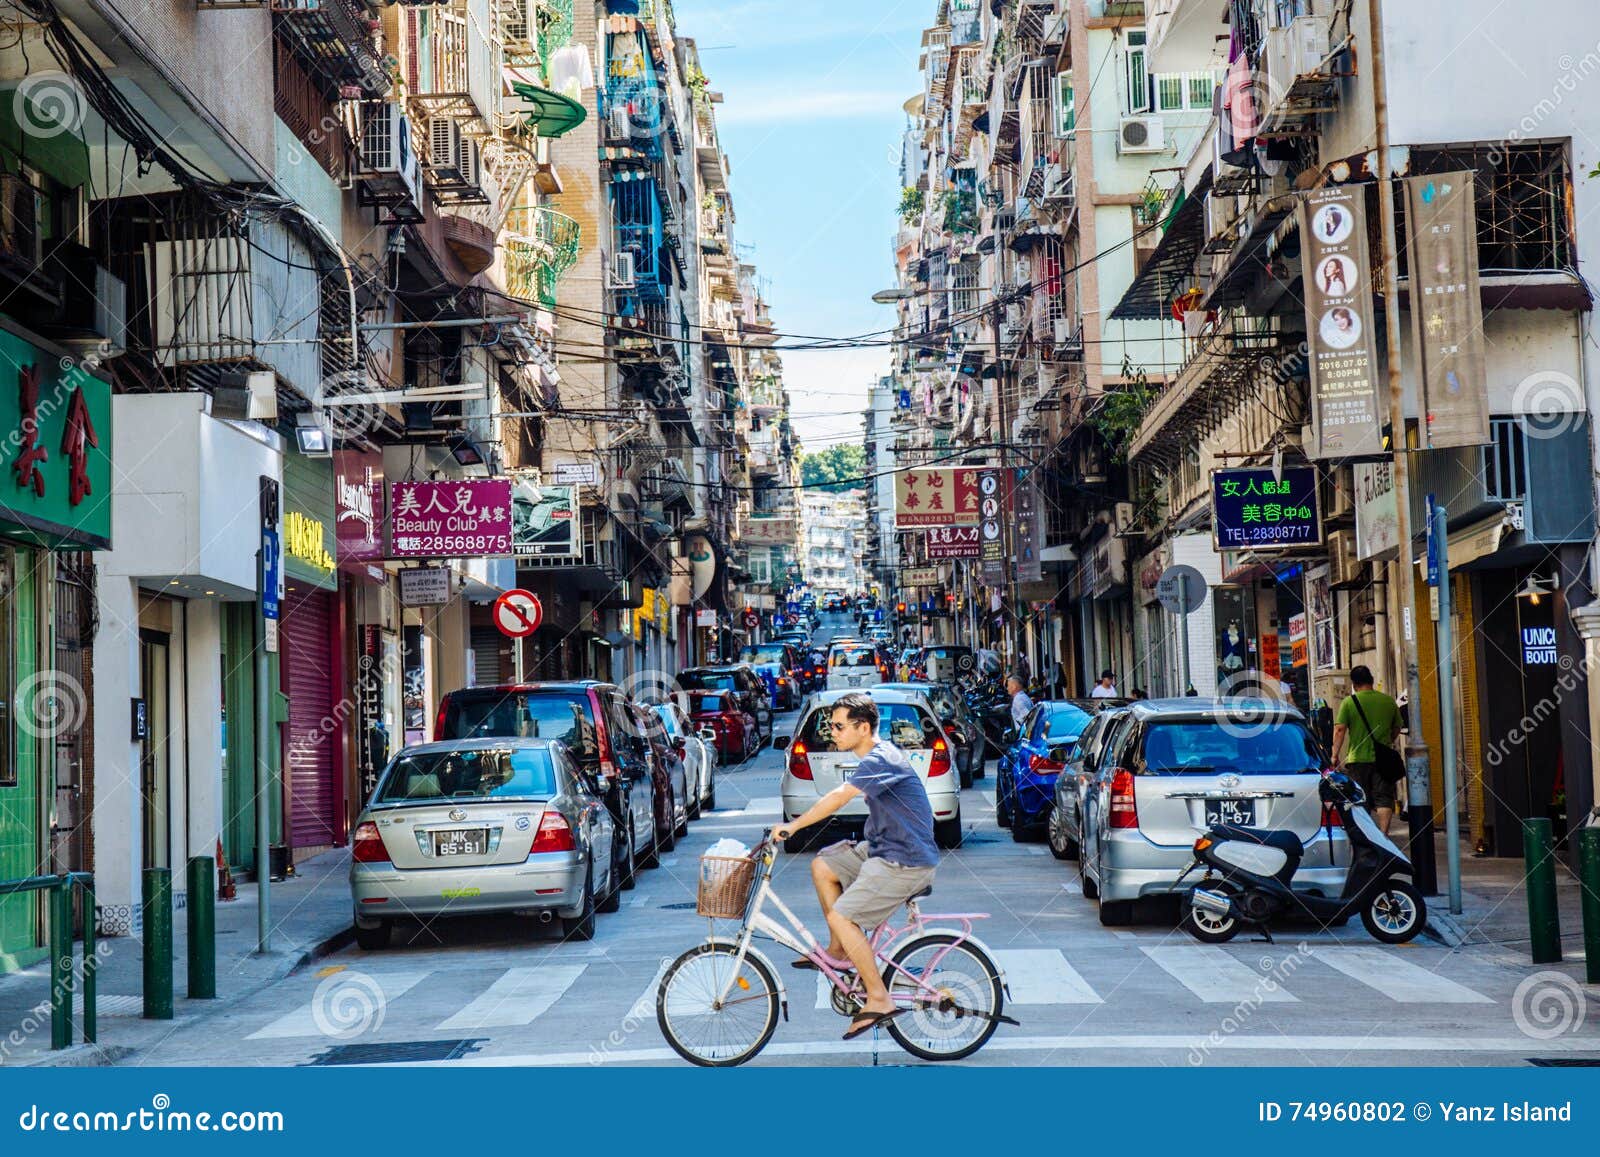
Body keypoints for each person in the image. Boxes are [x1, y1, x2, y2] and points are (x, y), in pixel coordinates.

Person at [774, 693, 937, 1041]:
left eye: (838, 726)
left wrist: (794, 826)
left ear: (863, 728)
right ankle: (839, 950)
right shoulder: (873, 758)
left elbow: (837, 798)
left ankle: (878, 997)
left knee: (842, 916)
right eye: (830, 725)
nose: (832, 732)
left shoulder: (883, 758)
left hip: (904, 860)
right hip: (882, 849)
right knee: (824, 865)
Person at [1331, 665, 1403, 834]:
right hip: (1383, 759)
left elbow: (1340, 730)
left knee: (1361, 799)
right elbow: (1397, 727)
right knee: (1384, 798)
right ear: (1371, 680)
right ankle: (1384, 835)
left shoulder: (1349, 702)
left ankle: (1368, 834)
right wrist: (1386, 741)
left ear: (1354, 684)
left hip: (1358, 760)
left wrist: (1334, 755)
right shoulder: (1387, 701)